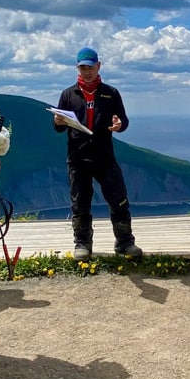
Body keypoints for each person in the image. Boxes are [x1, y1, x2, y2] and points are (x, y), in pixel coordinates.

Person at [54, 47, 142, 261]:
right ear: (78, 68)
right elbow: (58, 127)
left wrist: (119, 124)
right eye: (83, 68)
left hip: (104, 156)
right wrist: (57, 121)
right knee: (80, 202)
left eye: (90, 67)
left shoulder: (110, 93)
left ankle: (124, 243)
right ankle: (82, 244)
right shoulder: (68, 94)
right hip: (77, 158)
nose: (87, 72)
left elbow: (124, 121)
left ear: (98, 66)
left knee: (119, 199)